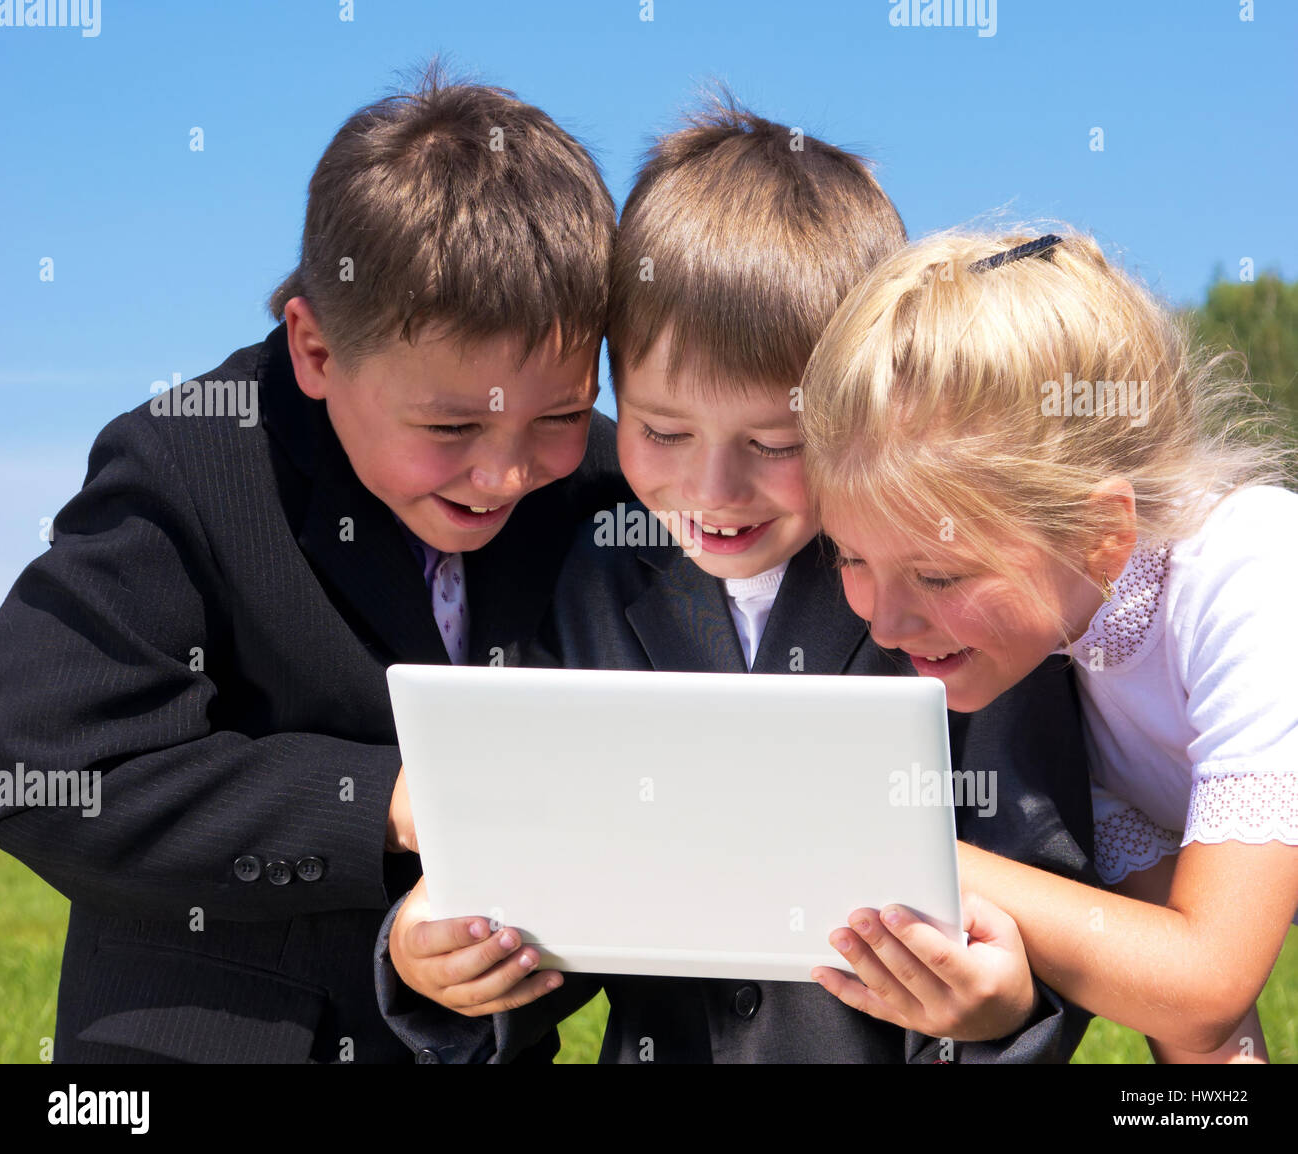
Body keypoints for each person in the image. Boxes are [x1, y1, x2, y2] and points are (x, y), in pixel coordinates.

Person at [378, 102, 1100, 1063]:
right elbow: (552, 883)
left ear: (861, 408)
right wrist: (441, 961)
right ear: (611, 390)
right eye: (663, 431)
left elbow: (1047, 886)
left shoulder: (957, 594)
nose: (713, 491)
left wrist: (1003, 1009)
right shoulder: (593, 584)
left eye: (775, 443)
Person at [0, 64, 629, 1064]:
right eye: (449, 427)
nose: (506, 473)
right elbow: (38, 762)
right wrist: (380, 799)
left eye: (560, 414)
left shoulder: (605, 486)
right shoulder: (183, 465)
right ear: (316, 350)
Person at [798, 228, 1298, 1063]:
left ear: (1103, 535)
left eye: (939, 574)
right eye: (850, 558)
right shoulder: (1048, 653)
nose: (884, 625)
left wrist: (885, 847)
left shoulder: (1252, 571)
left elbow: (1208, 978)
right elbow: (1187, 1012)